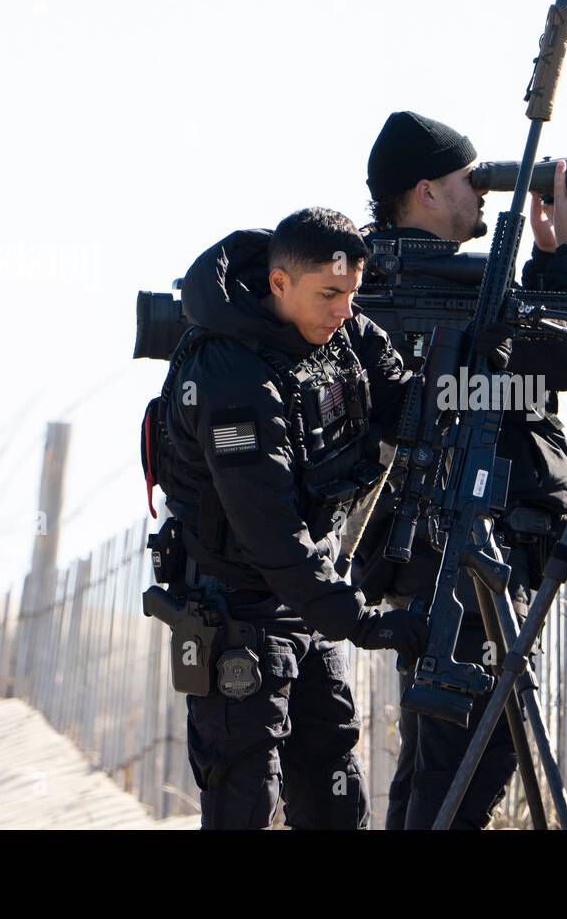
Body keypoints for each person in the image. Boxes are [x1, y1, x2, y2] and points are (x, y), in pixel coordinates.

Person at [357, 110, 567, 829]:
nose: (483, 195)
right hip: (464, 558)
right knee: (470, 757)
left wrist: (543, 265)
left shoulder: (382, 278)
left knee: (434, 762)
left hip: (422, 556)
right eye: (468, 180)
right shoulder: (449, 288)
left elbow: (514, 366)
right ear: (427, 192)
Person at [144, 206, 429, 829]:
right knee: (245, 801)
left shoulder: (340, 333)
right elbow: (268, 527)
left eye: (352, 294)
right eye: (330, 294)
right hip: (238, 613)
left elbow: (408, 404)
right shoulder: (229, 373)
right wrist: (359, 621)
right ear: (279, 284)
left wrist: (478, 362)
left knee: (333, 800)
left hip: (308, 606)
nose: (344, 310)